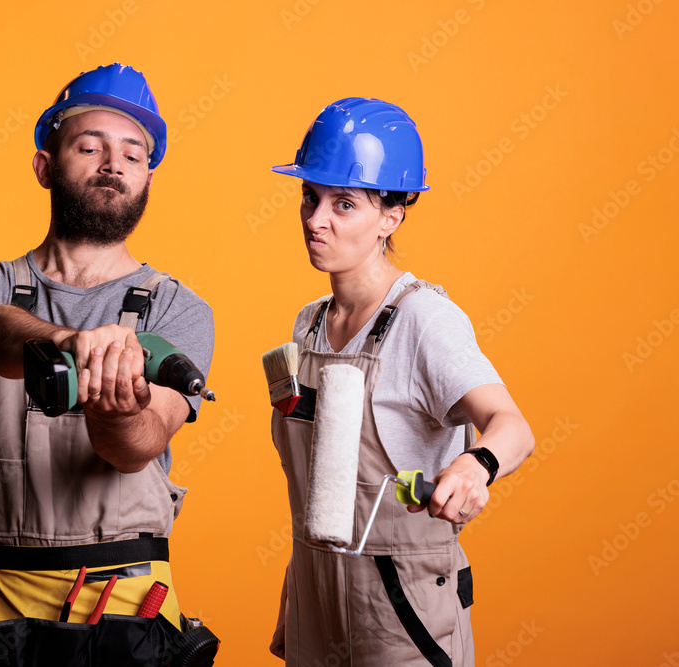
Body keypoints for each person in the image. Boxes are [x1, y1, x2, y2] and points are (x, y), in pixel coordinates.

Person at [0, 64, 215, 666]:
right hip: (3, 605)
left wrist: (118, 410)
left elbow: (138, 447)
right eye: (90, 146)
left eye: (133, 155)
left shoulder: (177, 308)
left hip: (128, 604)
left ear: (146, 177)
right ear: (45, 166)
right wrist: (71, 342)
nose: (113, 164)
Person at [267, 98, 534, 666]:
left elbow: (512, 426)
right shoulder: (308, 323)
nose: (317, 219)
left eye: (344, 203)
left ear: (392, 216)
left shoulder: (422, 319)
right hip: (314, 589)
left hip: (400, 601)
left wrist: (475, 465)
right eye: (310, 198)